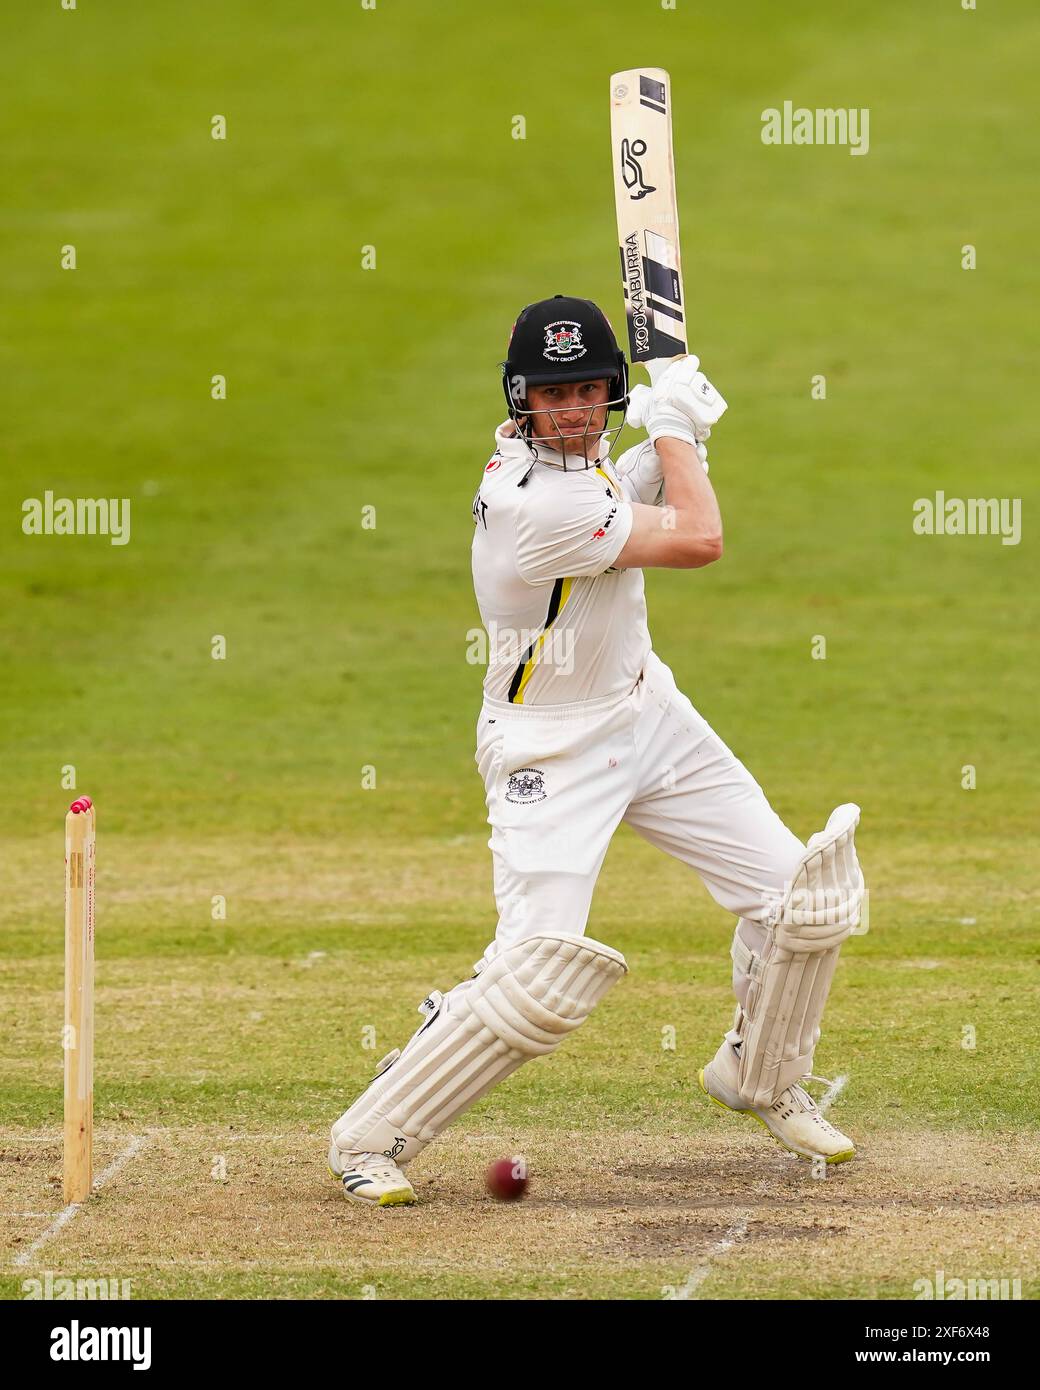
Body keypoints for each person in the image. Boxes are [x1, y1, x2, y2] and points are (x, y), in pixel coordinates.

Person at [328, 294, 865, 1206]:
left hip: (646, 711)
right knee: (536, 978)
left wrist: (672, 428)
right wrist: (675, 429)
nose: (573, 410)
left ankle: (762, 1077)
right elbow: (700, 538)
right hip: (549, 751)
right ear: (522, 401)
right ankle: (368, 1135)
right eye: (553, 394)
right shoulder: (535, 503)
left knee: (802, 900)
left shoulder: (588, 478)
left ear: (607, 391)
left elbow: (638, 497)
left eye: (588, 390)